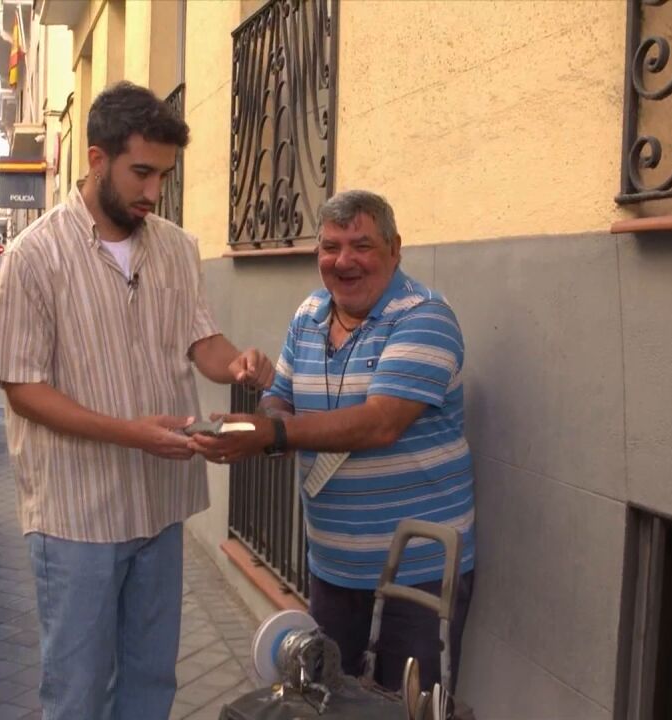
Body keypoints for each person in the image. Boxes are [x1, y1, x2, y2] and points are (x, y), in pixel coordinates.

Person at [0, 81, 275, 720]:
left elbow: (199, 337)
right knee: (78, 692)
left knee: (150, 685)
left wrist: (238, 364)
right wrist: (131, 433)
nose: (153, 192)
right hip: (75, 515)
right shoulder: (35, 257)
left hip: (160, 504)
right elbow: (22, 389)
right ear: (96, 159)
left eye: (164, 177)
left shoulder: (176, 246)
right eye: (141, 172)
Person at [188, 190, 476, 694]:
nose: (344, 261)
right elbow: (280, 397)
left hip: (418, 570)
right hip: (331, 565)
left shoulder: (424, 316)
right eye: (330, 246)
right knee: (331, 701)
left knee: (403, 707)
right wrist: (262, 422)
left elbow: (380, 423)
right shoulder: (310, 313)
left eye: (361, 245)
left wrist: (275, 434)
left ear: (395, 249)